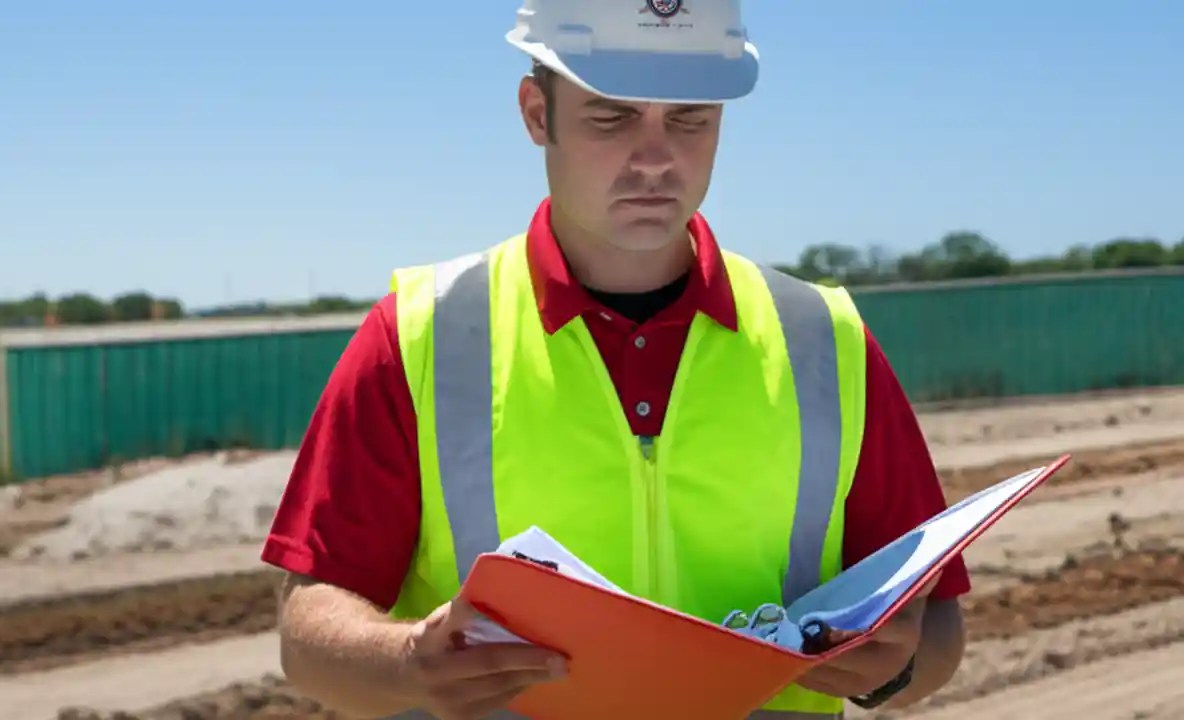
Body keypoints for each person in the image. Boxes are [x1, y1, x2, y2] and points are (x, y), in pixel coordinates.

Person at [262, 1, 969, 717]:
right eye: (612, 116)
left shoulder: (824, 336)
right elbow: (307, 628)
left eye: (691, 118)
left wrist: (895, 666)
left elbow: (937, 620)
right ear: (538, 113)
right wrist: (408, 661)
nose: (656, 157)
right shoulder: (421, 335)